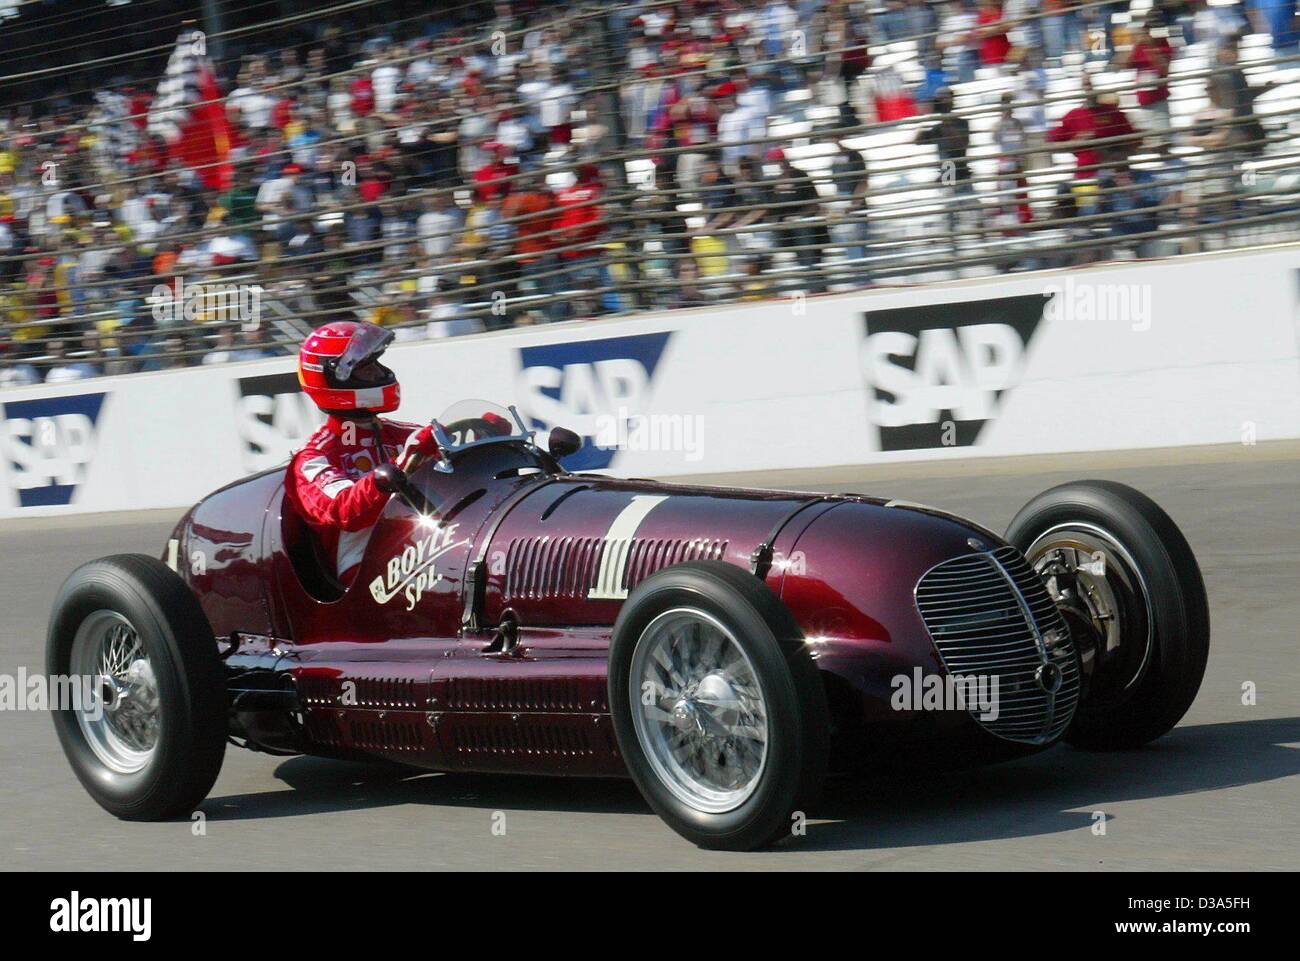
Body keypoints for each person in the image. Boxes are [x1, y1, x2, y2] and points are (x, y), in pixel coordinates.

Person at [287, 321, 441, 583]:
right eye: (367, 368)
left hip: (431, 547)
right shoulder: (313, 458)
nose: (380, 373)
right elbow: (344, 511)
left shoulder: (407, 434)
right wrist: (400, 467)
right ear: (335, 380)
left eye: (377, 365)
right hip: (365, 570)